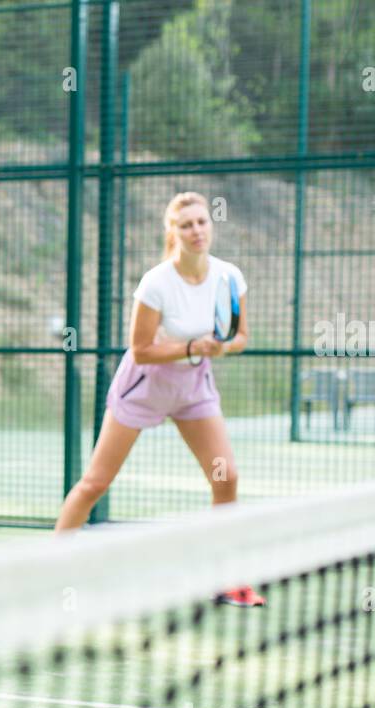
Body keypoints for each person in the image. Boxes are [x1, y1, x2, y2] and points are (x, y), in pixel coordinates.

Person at [56, 191, 265, 607]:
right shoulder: (156, 282)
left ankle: (227, 579)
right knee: (95, 482)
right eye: (186, 225)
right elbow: (141, 349)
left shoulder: (229, 277)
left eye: (202, 222)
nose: (196, 231)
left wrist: (218, 349)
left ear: (211, 224)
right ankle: (49, 570)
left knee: (227, 476)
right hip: (145, 386)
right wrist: (191, 347)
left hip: (194, 389)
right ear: (173, 232)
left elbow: (240, 337)